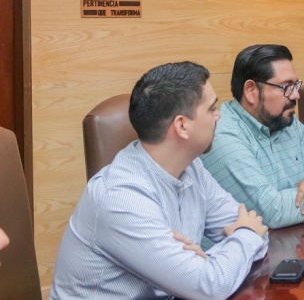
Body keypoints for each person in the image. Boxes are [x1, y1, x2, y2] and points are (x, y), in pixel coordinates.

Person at [50, 62, 269, 300]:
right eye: (212, 109)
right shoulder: (121, 199)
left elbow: (259, 234)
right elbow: (211, 285)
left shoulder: (192, 166)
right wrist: (240, 239)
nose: (219, 116)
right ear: (182, 126)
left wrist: (208, 262)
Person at [201, 44, 304, 230]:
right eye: (286, 87)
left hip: (296, 238)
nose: (296, 95)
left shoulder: (287, 121)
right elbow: (271, 211)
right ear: (251, 91)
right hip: (247, 246)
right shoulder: (222, 135)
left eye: (295, 85)